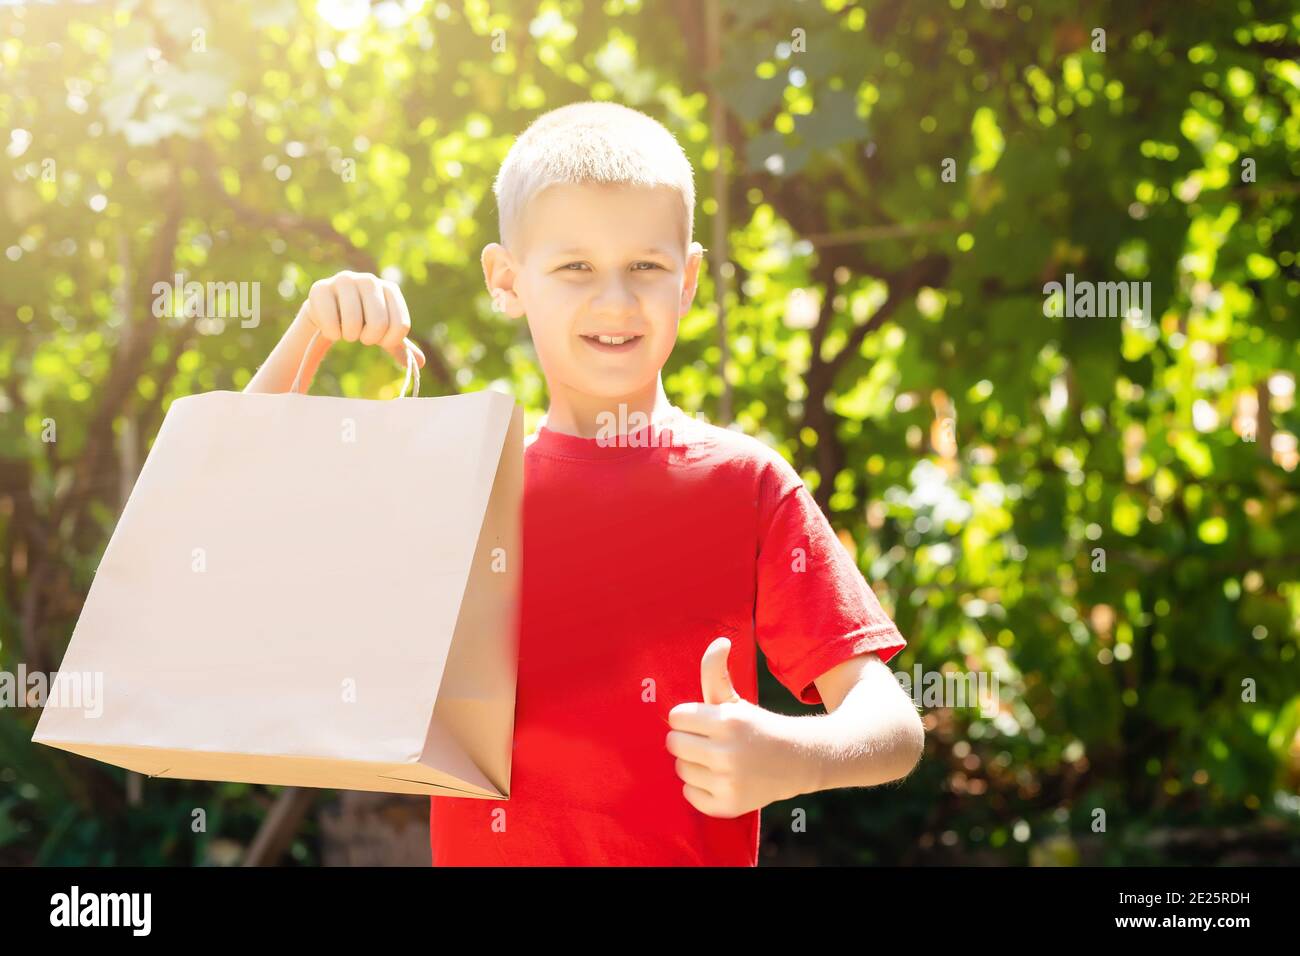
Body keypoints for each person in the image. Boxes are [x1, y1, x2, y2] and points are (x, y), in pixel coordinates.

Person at [244, 101, 923, 866]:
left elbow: (891, 728)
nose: (616, 301)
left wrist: (795, 757)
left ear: (689, 278)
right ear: (507, 279)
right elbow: (235, 512)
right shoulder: (461, 490)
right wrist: (311, 332)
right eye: (575, 267)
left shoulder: (748, 486)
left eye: (646, 266)